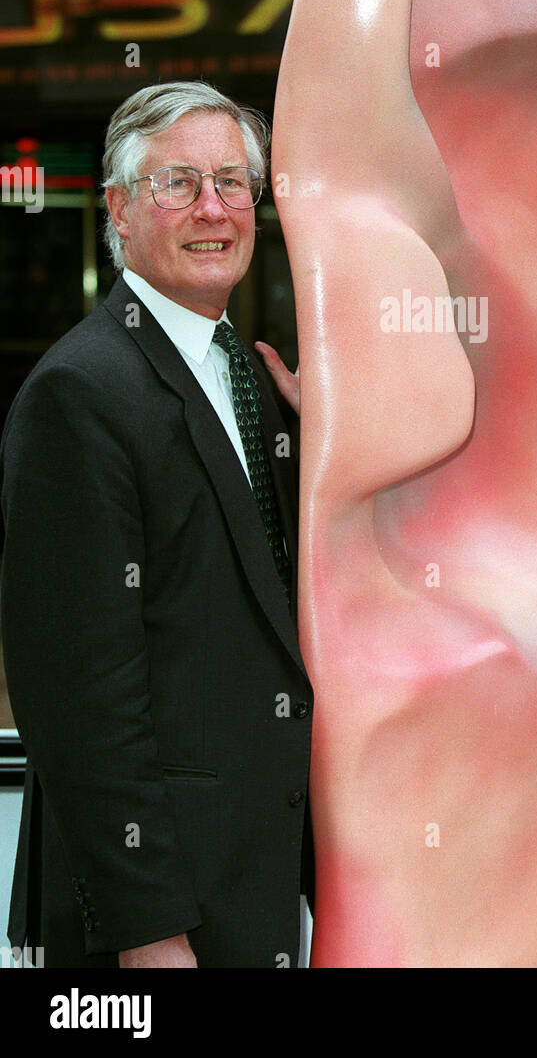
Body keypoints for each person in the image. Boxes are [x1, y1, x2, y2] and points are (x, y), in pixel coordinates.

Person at [0, 81, 312, 968]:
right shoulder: (79, 395)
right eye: (176, 183)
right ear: (119, 211)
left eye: (231, 182)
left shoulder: (252, 380)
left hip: (254, 886)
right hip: (158, 915)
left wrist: (329, 441)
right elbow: (80, 703)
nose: (213, 208)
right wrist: (148, 934)